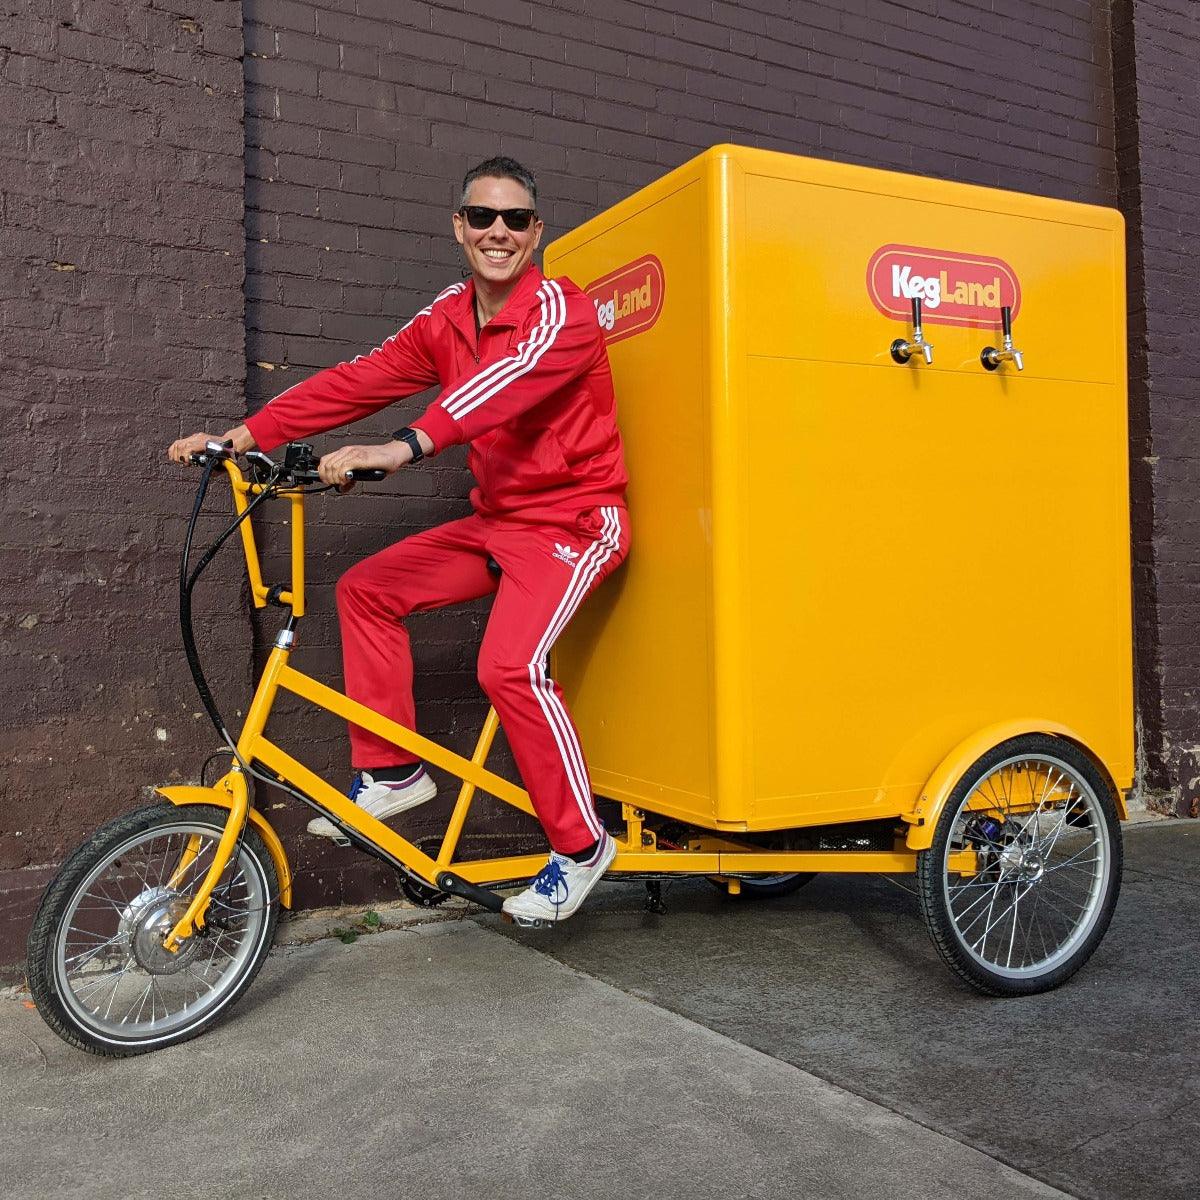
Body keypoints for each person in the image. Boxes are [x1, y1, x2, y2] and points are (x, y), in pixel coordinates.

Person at [168, 157, 630, 924]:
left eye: (516, 220)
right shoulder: (449, 316)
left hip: (576, 522)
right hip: (500, 521)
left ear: (537, 232)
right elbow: (361, 377)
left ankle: (582, 848)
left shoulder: (562, 312)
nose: (498, 233)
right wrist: (243, 433)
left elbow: (496, 387)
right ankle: (392, 771)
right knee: (367, 590)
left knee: (509, 666)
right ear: (459, 226)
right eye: (482, 216)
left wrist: (403, 446)